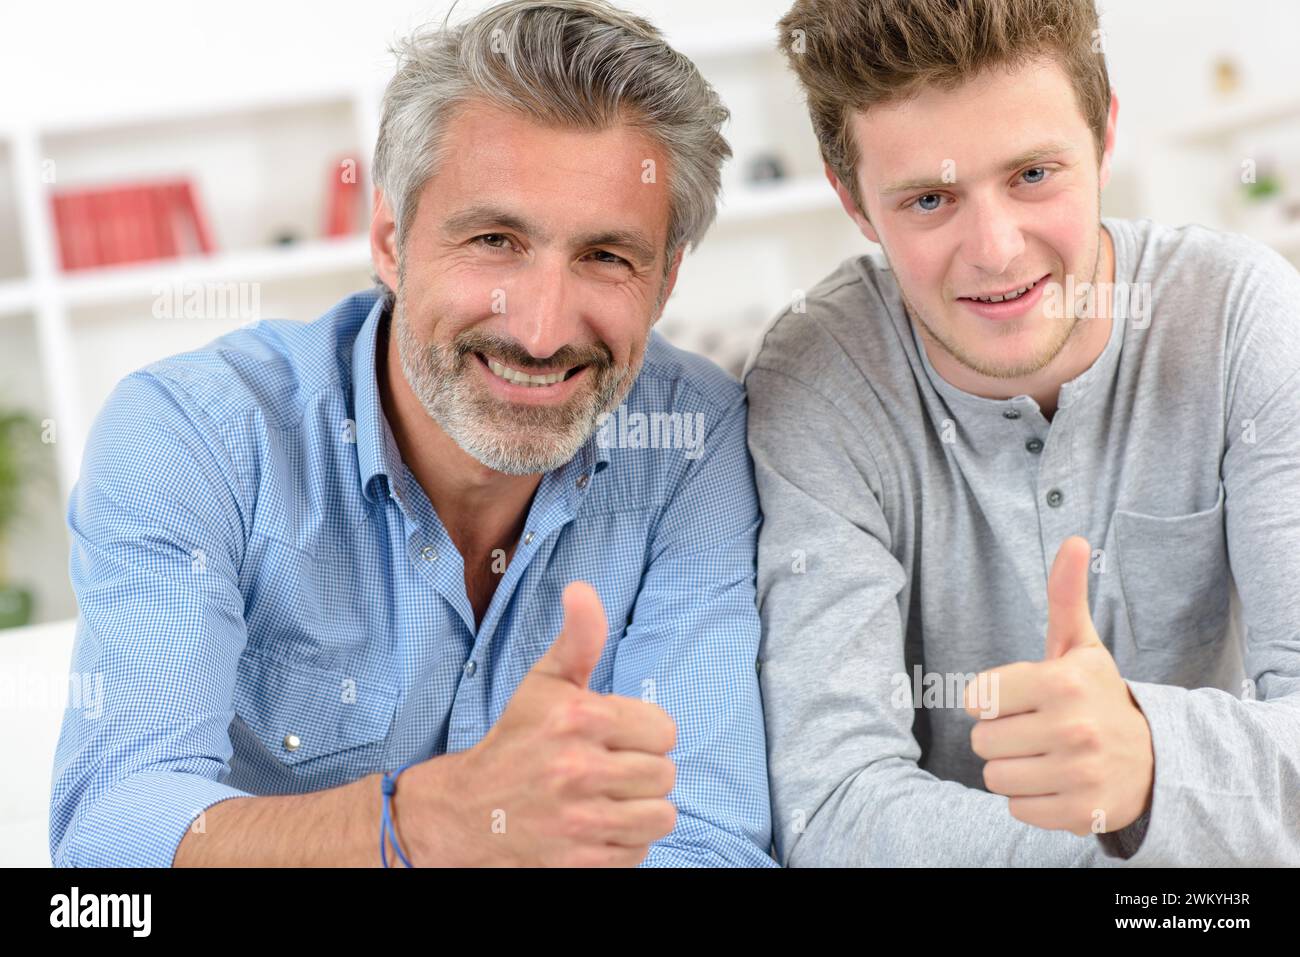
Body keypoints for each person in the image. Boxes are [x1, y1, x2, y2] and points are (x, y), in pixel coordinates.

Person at [50, 0, 774, 868]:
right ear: (392, 239)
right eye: (495, 239)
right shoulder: (195, 435)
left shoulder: (691, 439)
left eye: (606, 256)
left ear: (665, 282)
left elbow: (706, 839)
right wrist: (414, 826)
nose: (541, 331)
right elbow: (108, 841)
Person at [747, 0, 1300, 865]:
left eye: (1034, 174)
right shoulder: (819, 374)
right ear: (852, 200)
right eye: (929, 199)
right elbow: (833, 803)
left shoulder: (1240, 317)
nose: (997, 250)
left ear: (1105, 133)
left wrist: (1151, 761)